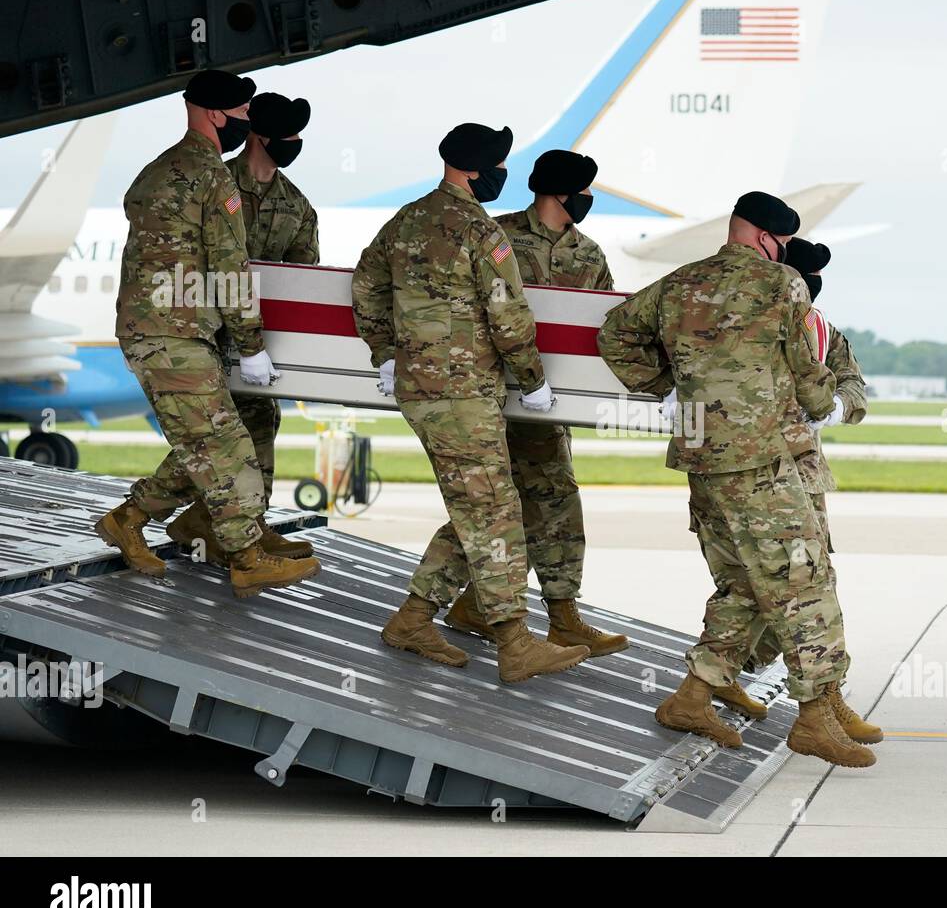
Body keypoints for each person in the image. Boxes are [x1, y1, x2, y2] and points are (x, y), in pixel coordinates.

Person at [598, 191, 875, 767]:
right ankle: (814, 715)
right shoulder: (781, 285)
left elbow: (614, 334)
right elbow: (804, 365)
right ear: (765, 238)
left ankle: (696, 694)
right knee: (804, 578)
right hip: (758, 459)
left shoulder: (679, 283)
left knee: (749, 582)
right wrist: (825, 402)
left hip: (703, 455)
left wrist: (667, 386)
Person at [351, 122, 591, 684]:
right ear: (478, 171)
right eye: (499, 167)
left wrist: (386, 351)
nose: (504, 177)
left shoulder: (407, 219)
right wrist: (532, 379)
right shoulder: (481, 232)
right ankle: (512, 641)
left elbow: (365, 285)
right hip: (463, 392)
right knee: (493, 509)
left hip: (421, 390)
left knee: (477, 505)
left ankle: (416, 618)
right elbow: (509, 315)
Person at [94, 69, 320, 598]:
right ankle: (243, 557)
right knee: (226, 448)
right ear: (219, 114)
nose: (247, 120)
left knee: (212, 441)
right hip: (180, 333)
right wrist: (252, 345)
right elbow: (229, 267)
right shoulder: (215, 178)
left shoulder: (156, 172)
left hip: (161, 329)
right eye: (243, 113)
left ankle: (161, 523)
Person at [444, 149, 627, 656]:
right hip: (491, 397)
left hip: (549, 406)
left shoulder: (589, 255)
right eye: (585, 190)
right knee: (507, 506)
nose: (589, 199)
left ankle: (522, 611)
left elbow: (605, 327)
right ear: (562, 192)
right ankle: (516, 611)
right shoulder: (496, 235)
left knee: (545, 503)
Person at [736, 237, 883, 746]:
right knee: (767, 585)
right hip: (754, 468)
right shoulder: (753, 325)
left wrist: (837, 407)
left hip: (805, 471)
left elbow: (854, 385)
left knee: (810, 582)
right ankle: (721, 678)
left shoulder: (824, 330)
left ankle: (823, 694)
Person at [165, 90, 318, 563]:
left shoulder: (297, 206)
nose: (293, 142)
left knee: (260, 423)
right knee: (215, 436)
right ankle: (177, 517)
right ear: (258, 134)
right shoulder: (216, 182)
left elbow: (301, 281)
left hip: (255, 342)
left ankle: (247, 525)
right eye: (286, 133)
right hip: (207, 332)